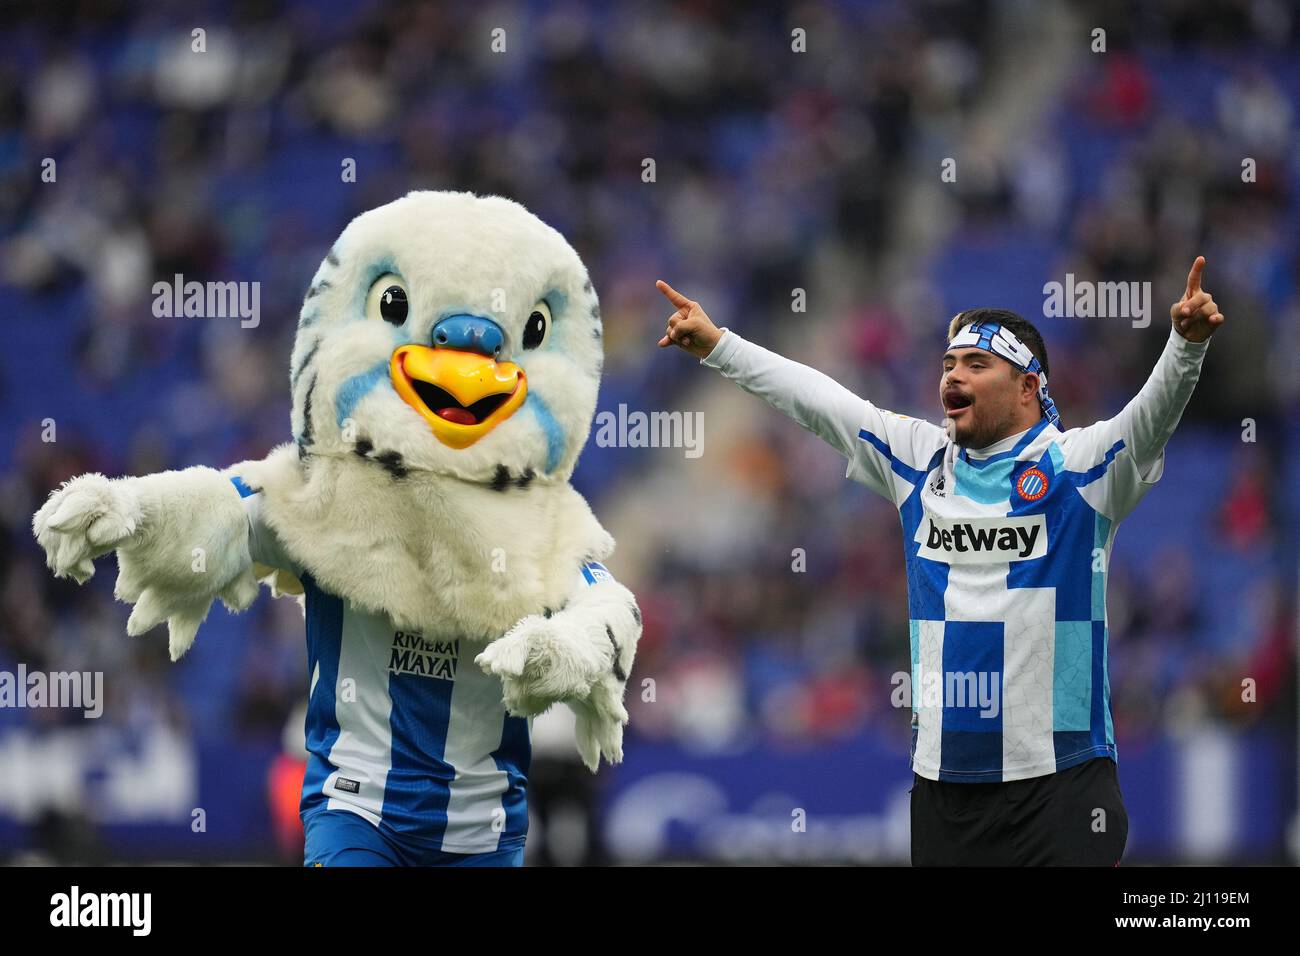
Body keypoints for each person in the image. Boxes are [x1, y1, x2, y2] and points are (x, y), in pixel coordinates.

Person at [655, 258, 1224, 866]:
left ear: (1029, 387)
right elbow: (816, 399)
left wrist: (1184, 347)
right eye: (948, 364)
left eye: (977, 365)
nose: (953, 376)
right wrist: (720, 346)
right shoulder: (917, 460)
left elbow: (1150, 424)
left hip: (1062, 784)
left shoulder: (1079, 469)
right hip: (943, 791)